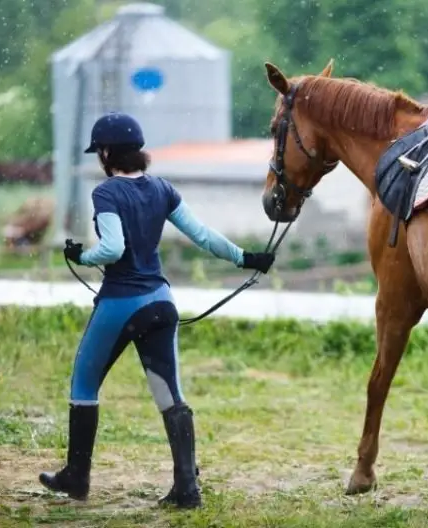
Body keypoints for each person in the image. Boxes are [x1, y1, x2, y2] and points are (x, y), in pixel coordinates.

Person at [38, 112, 276, 509]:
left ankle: (76, 477)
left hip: (121, 302)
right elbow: (202, 235)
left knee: (84, 384)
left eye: (100, 151)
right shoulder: (162, 188)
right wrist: (245, 257)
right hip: (161, 303)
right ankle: (187, 488)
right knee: (170, 395)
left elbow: (112, 249)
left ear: (107, 152)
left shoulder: (107, 192)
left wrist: (82, 256)